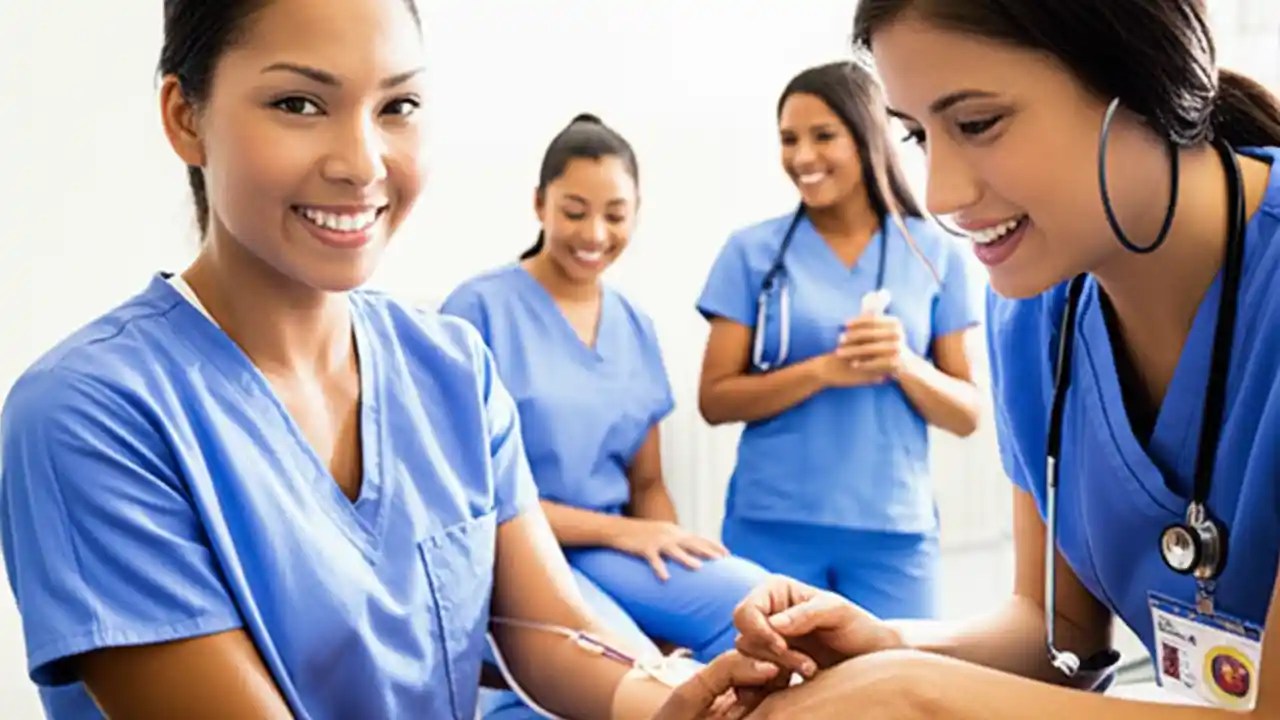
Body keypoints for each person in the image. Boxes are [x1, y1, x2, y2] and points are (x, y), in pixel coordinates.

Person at [0, 2, 780, 718]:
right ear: (185, 117)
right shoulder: (90, 414)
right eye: (298, 104)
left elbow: (545, 630)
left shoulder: (452, 368)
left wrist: (685, 705)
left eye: (397, 106)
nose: (363, 162)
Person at [719, 1, 1280, 718]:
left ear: (1143, 76)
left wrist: (911, 690)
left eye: (978, 124)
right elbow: (1057, 634)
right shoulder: (1034, 307)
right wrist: (886, 648)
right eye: (917, 135)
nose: (941, 195)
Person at [442, 114, 775, 718]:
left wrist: (669, 545)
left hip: (612, 555)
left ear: (636, 215)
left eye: (615, 215)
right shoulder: (476, 311)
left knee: (760, 611)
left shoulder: (634, 325)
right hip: (516, 555)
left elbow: (647, 484)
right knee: (630, 671)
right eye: (574, 211)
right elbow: (466, 499)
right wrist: (621, 532)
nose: (594, 233)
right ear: (539, 205)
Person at [694, 61, 983, 621]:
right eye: (789, 139)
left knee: (901, 674)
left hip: (893, 531)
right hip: (773, 522)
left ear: (867, 136)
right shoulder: (750, 253)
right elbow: (715, 400)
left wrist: (903, 363)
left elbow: (967, 413)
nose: (802, 156)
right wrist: (822, 371)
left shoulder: (933, 252)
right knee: (776, 675)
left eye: (823, 136)